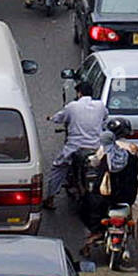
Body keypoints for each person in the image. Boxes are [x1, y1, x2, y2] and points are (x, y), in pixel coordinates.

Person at [83, 128, 138, 263]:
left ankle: (92, 236)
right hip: (129, 197)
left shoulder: (104, 151)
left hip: (107, 197)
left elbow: (95, 164)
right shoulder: (133, 151)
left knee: (89, 206)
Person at [44, 82, 109, 211]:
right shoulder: (100, 106)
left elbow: (60, 118)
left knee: (58, 167)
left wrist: (51, 118)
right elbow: (105, 118)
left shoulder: (72, 106)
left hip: (74, 147)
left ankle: (50, 199)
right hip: (95, 147)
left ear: (79, 93)